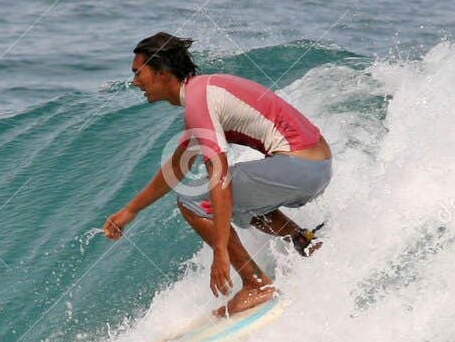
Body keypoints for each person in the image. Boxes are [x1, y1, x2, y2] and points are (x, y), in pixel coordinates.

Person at [102, 33, 332, 315]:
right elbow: (178, 166)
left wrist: (220, 251)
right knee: (239, 202)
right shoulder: (203, 93)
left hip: (298, 166)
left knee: (192, 201)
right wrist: (130, 210)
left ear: (161, 74)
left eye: (139, 73)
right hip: (316, 167)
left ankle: (256, 284)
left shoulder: (199, 101)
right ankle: (304, 241)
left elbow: (219, 175)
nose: (135, 82)